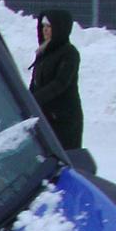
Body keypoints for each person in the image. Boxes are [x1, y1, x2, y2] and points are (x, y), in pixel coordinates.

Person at [27, 8, 84, 151]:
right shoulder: (43, 52)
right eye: (43, 26)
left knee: (63, 157)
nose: (45, 30)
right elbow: (35, 82)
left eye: (50, 26)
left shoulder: (69, 53)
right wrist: (26, 99)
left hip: (63, 119)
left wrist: (35, 99)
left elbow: (60, 83)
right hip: (44, 116)